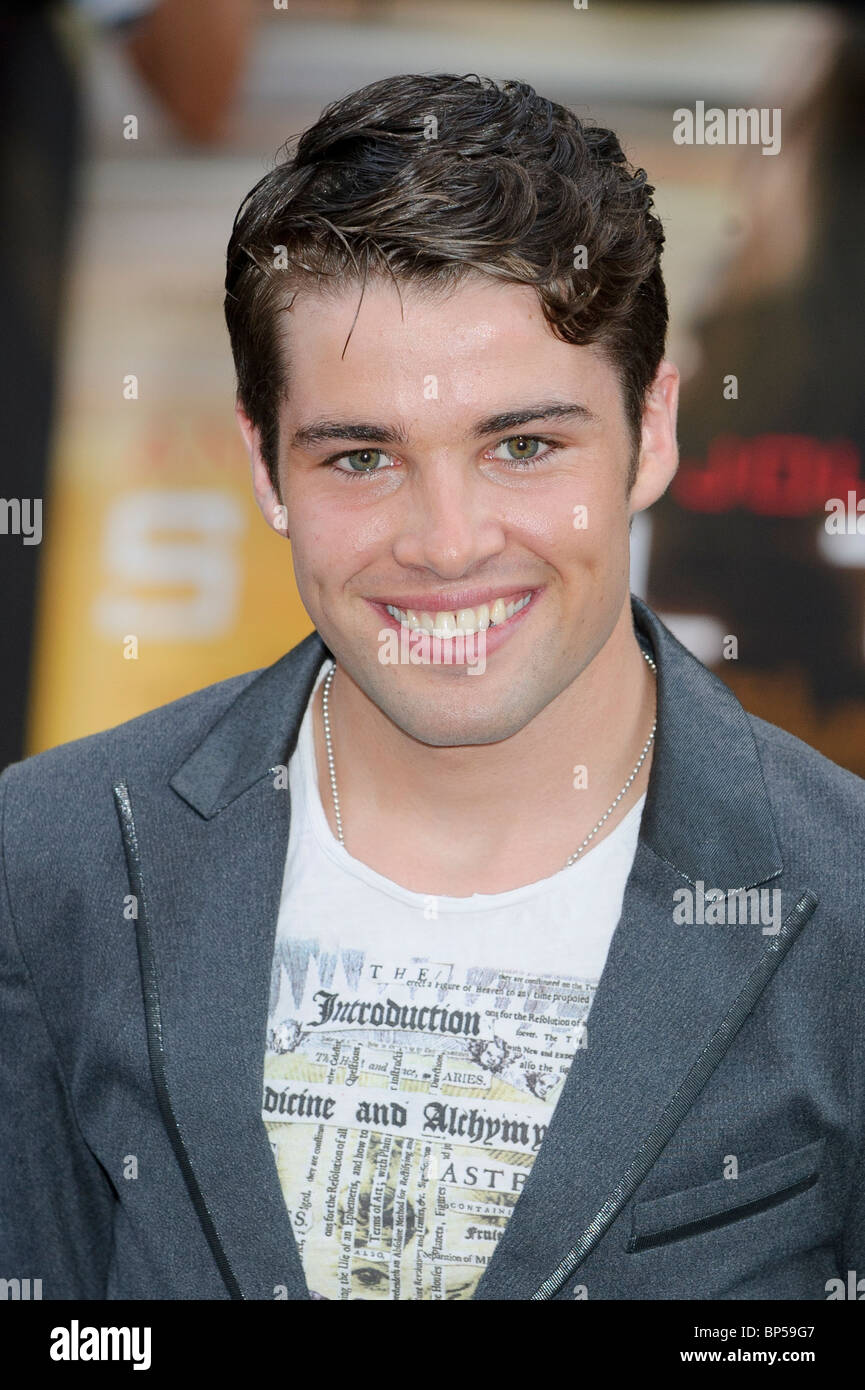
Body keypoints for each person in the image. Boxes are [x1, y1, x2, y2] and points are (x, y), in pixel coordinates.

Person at [1, 73, 862, 1302]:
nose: (446, 543)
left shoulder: (843, 909)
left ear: (654, 429)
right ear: (263, 464)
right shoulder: (48, 865)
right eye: (362, 456)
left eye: (523, 445)